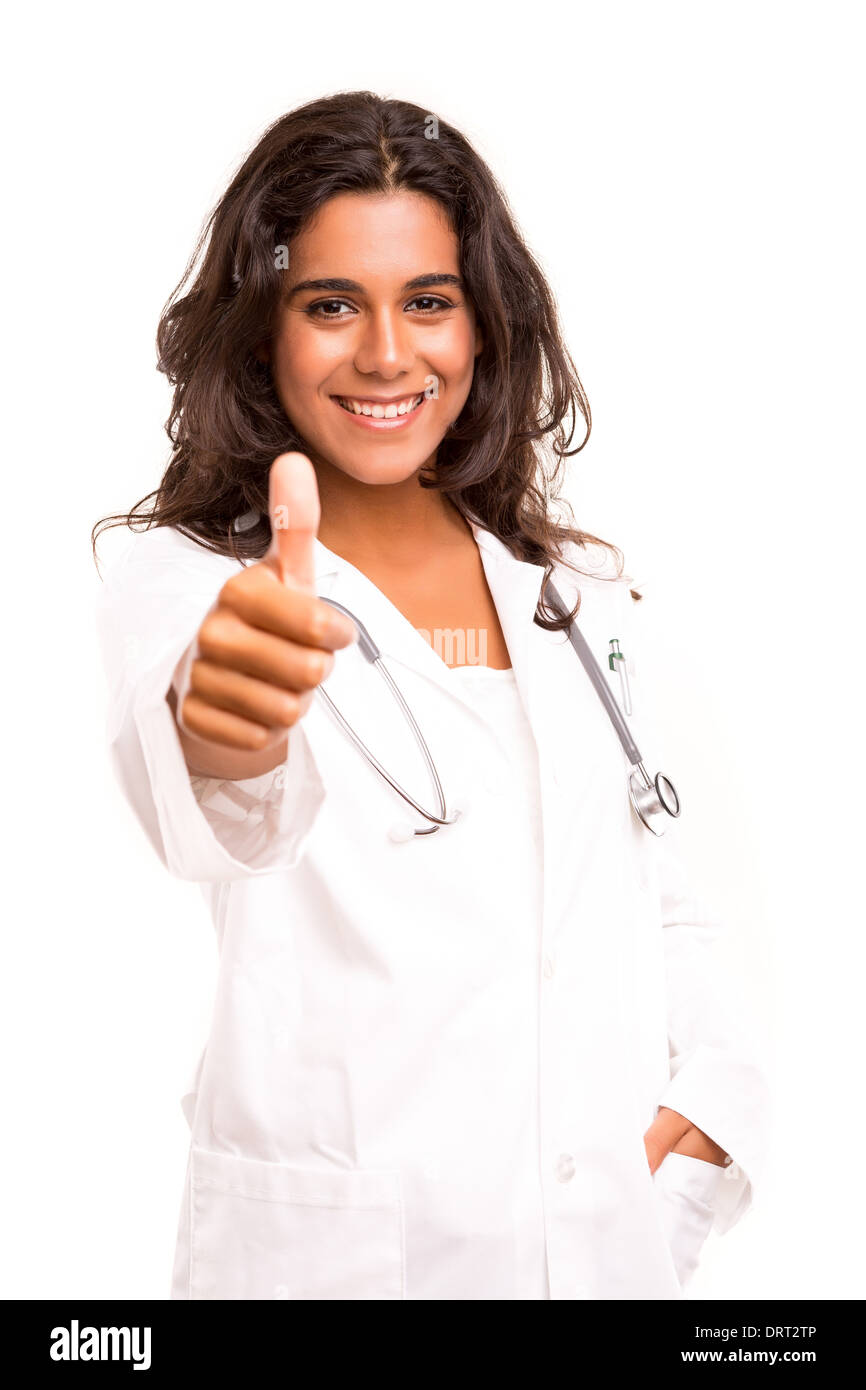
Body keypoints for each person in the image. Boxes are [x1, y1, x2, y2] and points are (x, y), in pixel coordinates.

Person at [92, 91, 770, 1301]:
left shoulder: (567, 597)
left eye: (427, 301)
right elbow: (221, 796)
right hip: (333, 1266)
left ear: (481, 324)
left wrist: (718, 1096)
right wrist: (230, 712)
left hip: (599, 1257)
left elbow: (647, 884)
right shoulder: (195, 582)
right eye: (329, 304)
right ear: (261, 332)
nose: (386, 354)